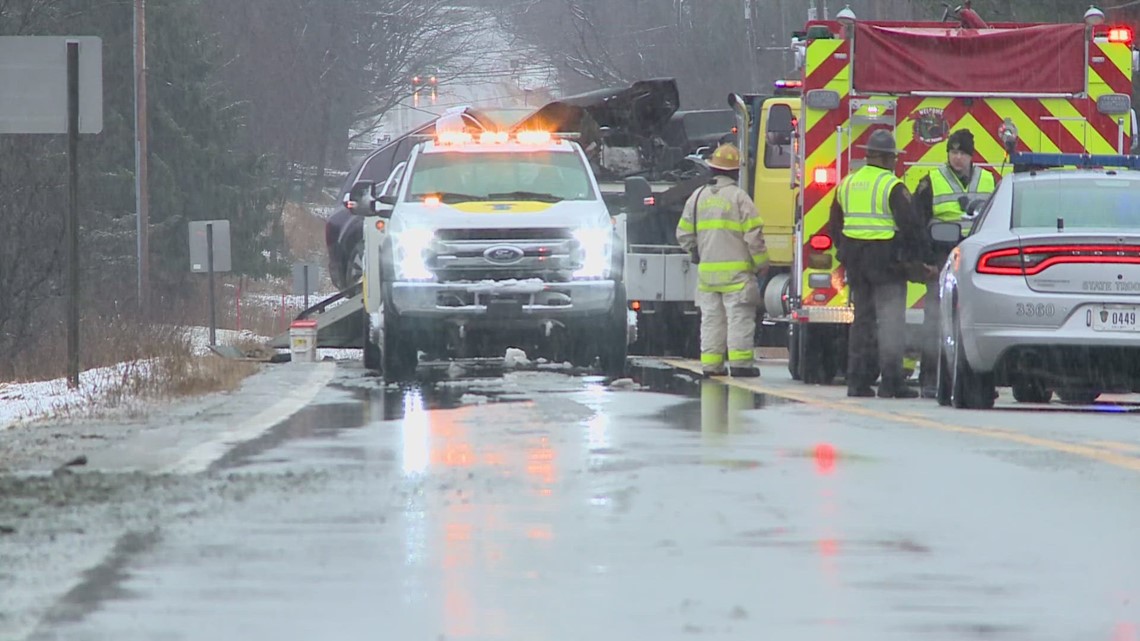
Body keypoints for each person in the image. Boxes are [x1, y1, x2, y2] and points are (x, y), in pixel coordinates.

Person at [829, 130, 923, 399]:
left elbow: (836, 225)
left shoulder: (847, 184)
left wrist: (845, 254)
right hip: (886, 263)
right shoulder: (892, 186)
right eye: (893, 157)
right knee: (891, 322)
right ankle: (891, 383)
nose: (895, 162)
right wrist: (916, 260)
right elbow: (911, 226)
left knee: (862, 322)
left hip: (856, 263)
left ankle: (857, 382)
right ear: (886, 158)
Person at [913, 129, 996, 398]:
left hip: (976, 259)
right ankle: (931, 379)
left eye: (962, 153)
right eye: (953, 152)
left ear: (972, 156)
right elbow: (917, 222)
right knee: (935, 320)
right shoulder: (932, 181)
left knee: (976, 320)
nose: (957, 158)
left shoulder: (989, 180)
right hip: (941, 256)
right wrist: (926, 259)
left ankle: (981, 381)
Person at [676, 143, 770, 378]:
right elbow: (754, 237)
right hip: (737, 276)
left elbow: (683, 234)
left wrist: (695, 251)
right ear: (735, 172)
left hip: (707, 275)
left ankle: (711, 365)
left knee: (711, 320)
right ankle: (740, 365)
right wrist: (761, 264)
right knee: (739, 318)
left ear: (712, 169)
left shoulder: (697, 198)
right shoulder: (739, 198)